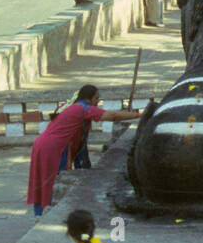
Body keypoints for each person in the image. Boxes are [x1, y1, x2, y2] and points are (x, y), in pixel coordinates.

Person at [27, 85, 141, 216]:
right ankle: (46, 212)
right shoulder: (82, 108)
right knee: (52, 179)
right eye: (97, 98)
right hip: (52, 146)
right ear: (89, 99)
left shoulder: (73, 106)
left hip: (43, 144)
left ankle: (40, 212)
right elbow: (112, 115)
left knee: (44, 178)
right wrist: (136, 114)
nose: (98, 102)